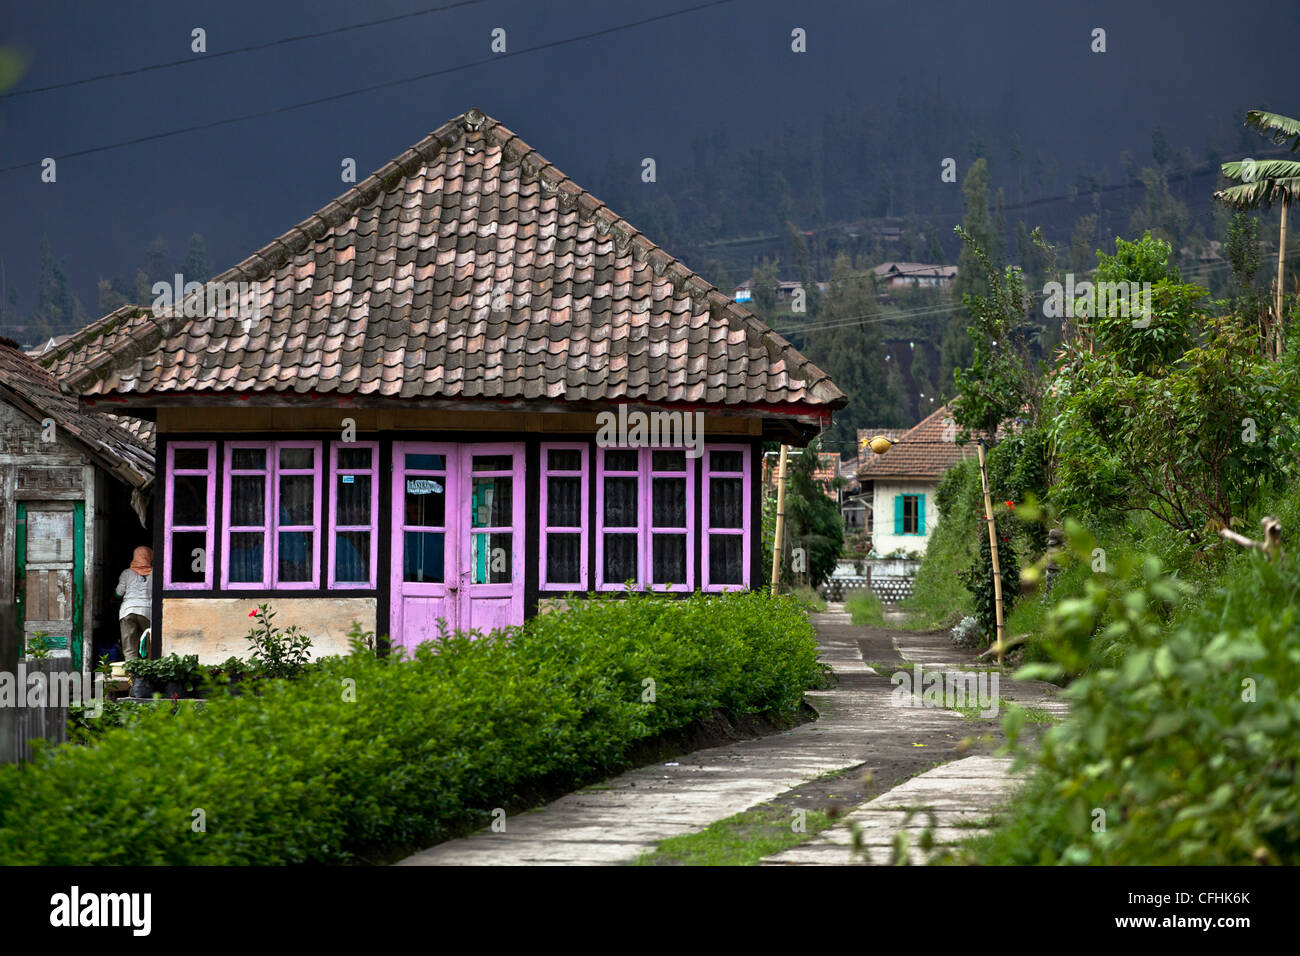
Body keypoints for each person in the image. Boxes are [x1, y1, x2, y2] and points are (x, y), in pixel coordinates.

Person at [115, 546, 152, 661]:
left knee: (129, 645)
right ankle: (150, 669)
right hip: (147, 611)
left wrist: (113, 599)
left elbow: (118, 593)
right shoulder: (156, 573)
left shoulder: (126, 573)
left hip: (127, 611)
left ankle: (131, 672)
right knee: (148, 644)